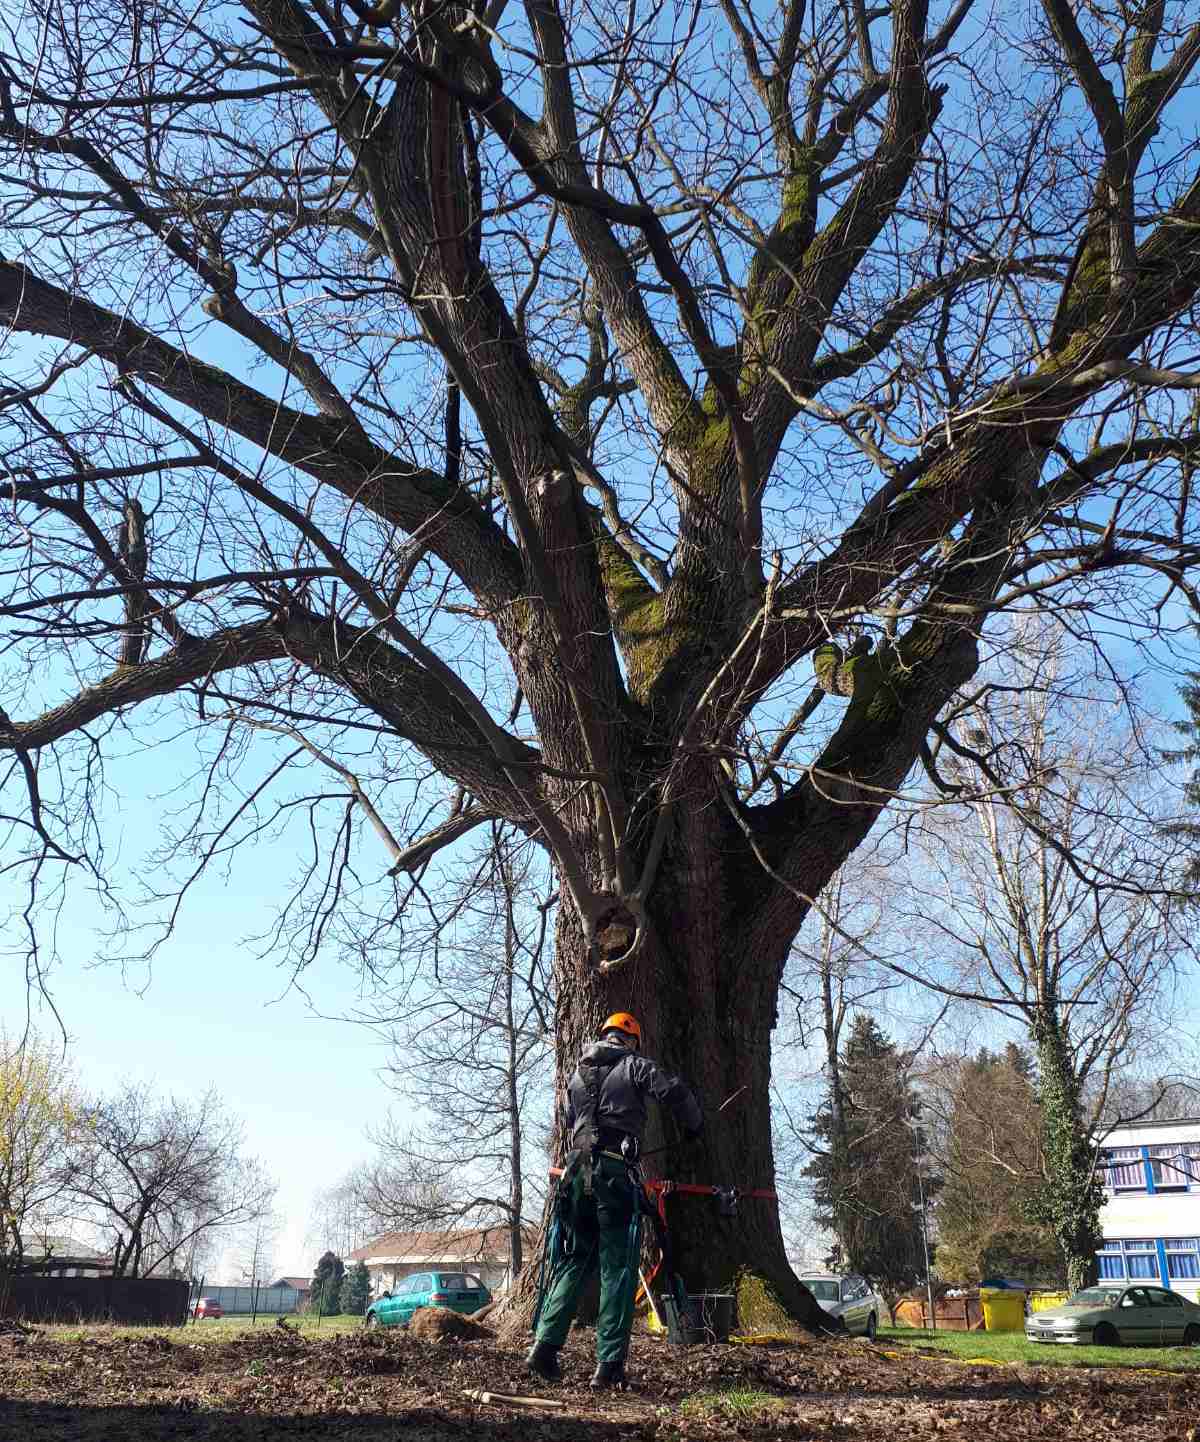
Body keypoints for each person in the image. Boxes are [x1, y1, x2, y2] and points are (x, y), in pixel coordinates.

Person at [526, 1011, 702, 1390]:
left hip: (575, 1174)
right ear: (631, 1040)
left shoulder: (575, 1075)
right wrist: (693, 1124)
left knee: (574, 1259)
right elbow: (672, 1090)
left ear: (604, 1037)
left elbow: (570, 1118)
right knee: (617, 1268)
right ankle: (608, 1366)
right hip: (613, 1173)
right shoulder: (635, 1066)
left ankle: (544, 1348)